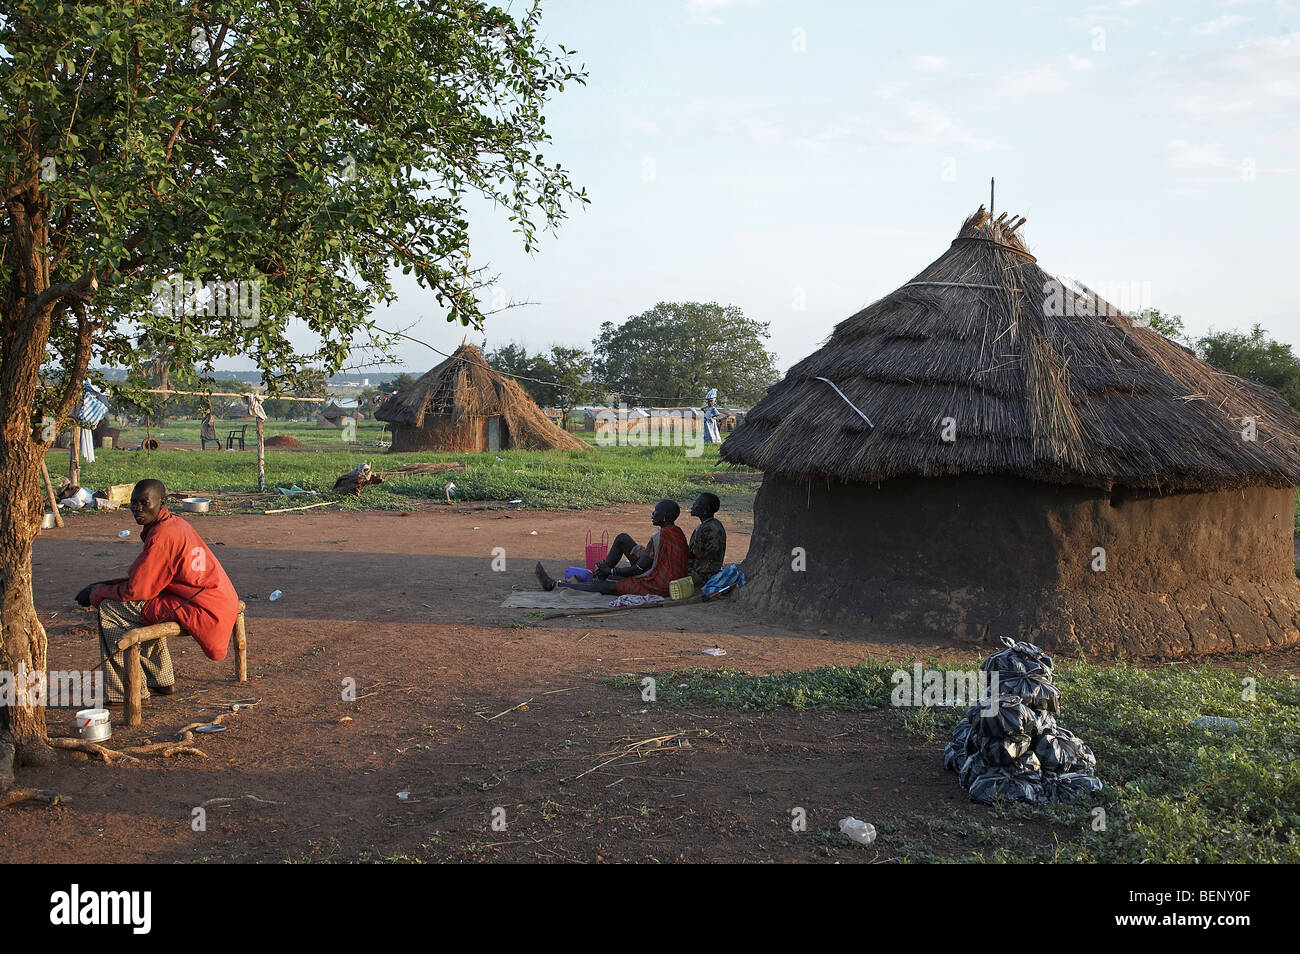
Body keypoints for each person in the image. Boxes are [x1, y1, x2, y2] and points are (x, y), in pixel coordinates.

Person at [76, 479, 240, 704]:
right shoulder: (173, 524)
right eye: (133, 503)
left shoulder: (162, 536)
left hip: (202, 608)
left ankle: (123, 691)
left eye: (145, 503)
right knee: (141, 608)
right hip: (214, 600)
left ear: (162, 503)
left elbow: (137, 590)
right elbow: (147, 580)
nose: (138, 509)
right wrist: (101, 585)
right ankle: (159, 679)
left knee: (110, 609)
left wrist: (97, 593)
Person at [536, 499, 688, 597]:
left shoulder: (661, 536)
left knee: (605, 586)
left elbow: (640, 569)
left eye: (656, 511)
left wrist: (612, 571)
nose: (653, 513)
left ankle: (557, 585)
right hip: (666, 578)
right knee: (622, 539)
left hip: (661, 585)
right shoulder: (676, 532)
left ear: (665, 515)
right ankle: (601, 573)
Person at [686, 492, 727, 587]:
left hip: (703, 576)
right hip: (709, 572)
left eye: (697, 503)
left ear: (706, 509)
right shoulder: (713, 525)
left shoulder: (707, 528)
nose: (693, 505)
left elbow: (697, 554)